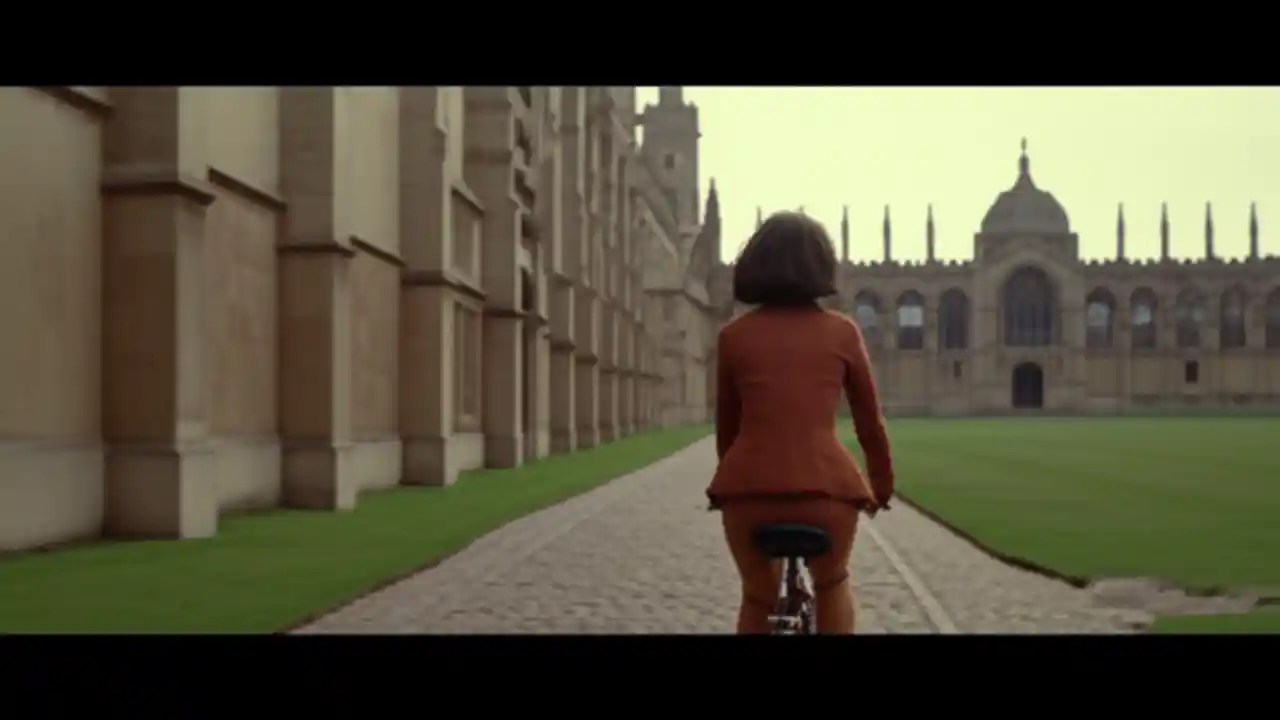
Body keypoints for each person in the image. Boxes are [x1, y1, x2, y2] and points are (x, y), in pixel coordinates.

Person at [707, 211, 895, 635]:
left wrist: (735, 482)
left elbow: (728, 428)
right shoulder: (843, 332)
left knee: (757, 595)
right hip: (826, 492)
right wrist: (880, 488)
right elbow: (870, 426)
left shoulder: (734, 336)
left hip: (748, 493)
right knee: (832, 583)